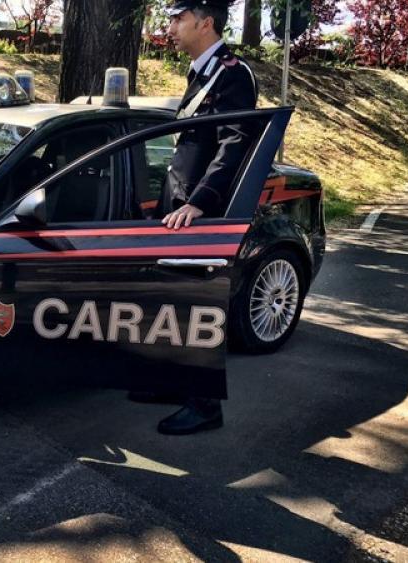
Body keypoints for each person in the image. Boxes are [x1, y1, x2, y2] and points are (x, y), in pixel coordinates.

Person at [135, 0, 259, 435]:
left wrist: (200, 202)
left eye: (178, 18)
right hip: (180, 204)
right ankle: (176, 382)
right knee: (173, 296)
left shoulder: (233, 74)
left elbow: (234, 144)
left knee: (198, 302)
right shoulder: (203, 71)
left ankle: (205, 404)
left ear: (205, 23)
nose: (170, 26)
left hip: (202, 211)